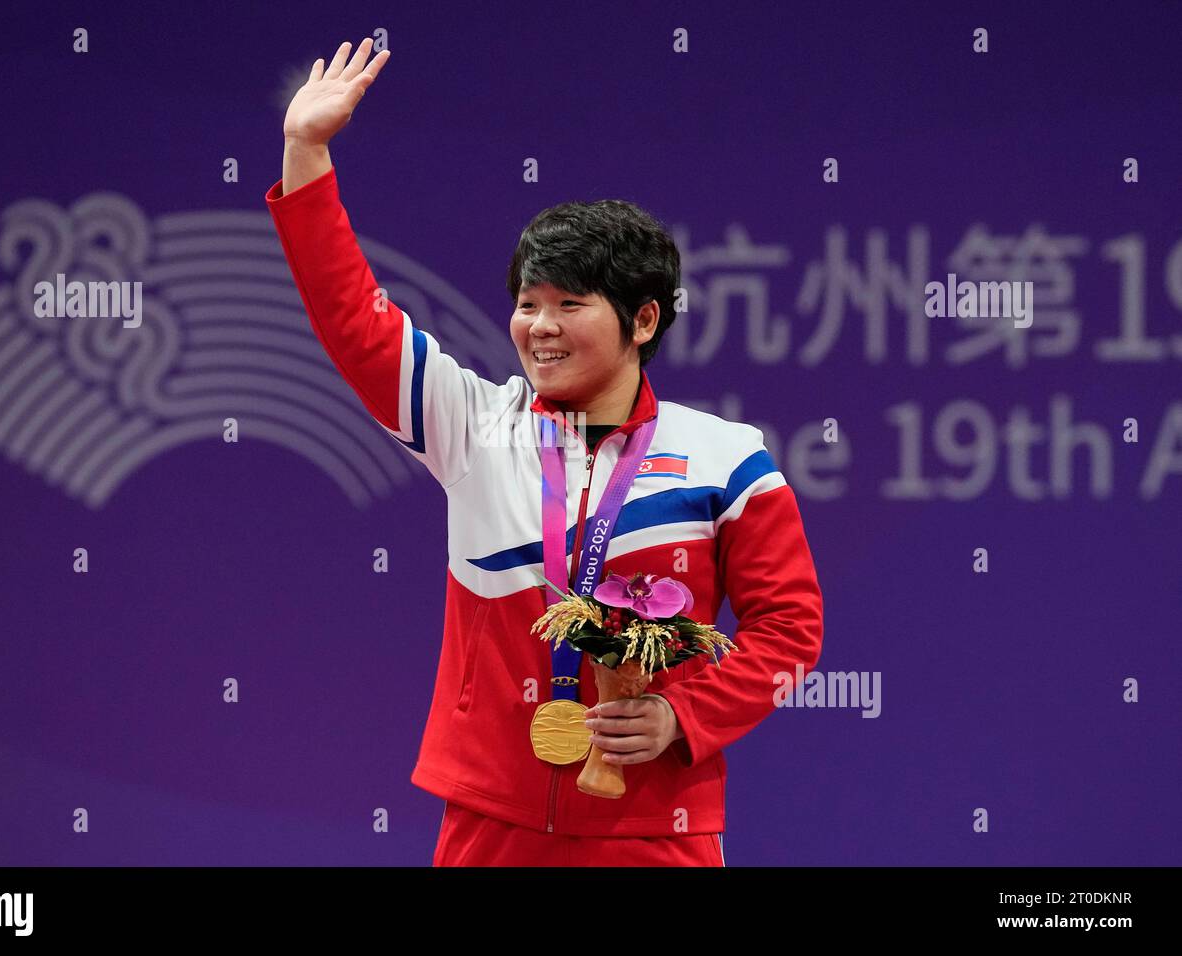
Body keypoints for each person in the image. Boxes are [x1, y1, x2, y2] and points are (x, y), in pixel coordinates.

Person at [268, 38, 824, 867]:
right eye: (528, 303)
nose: (539, 327)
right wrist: (305, 153)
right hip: (493, 816)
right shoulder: (471, 426)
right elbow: (353, 319)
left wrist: (684, 716)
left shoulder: (727, 459)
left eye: (570, 303)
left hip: (655, 826)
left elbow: (789, 632)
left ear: (643, 320)